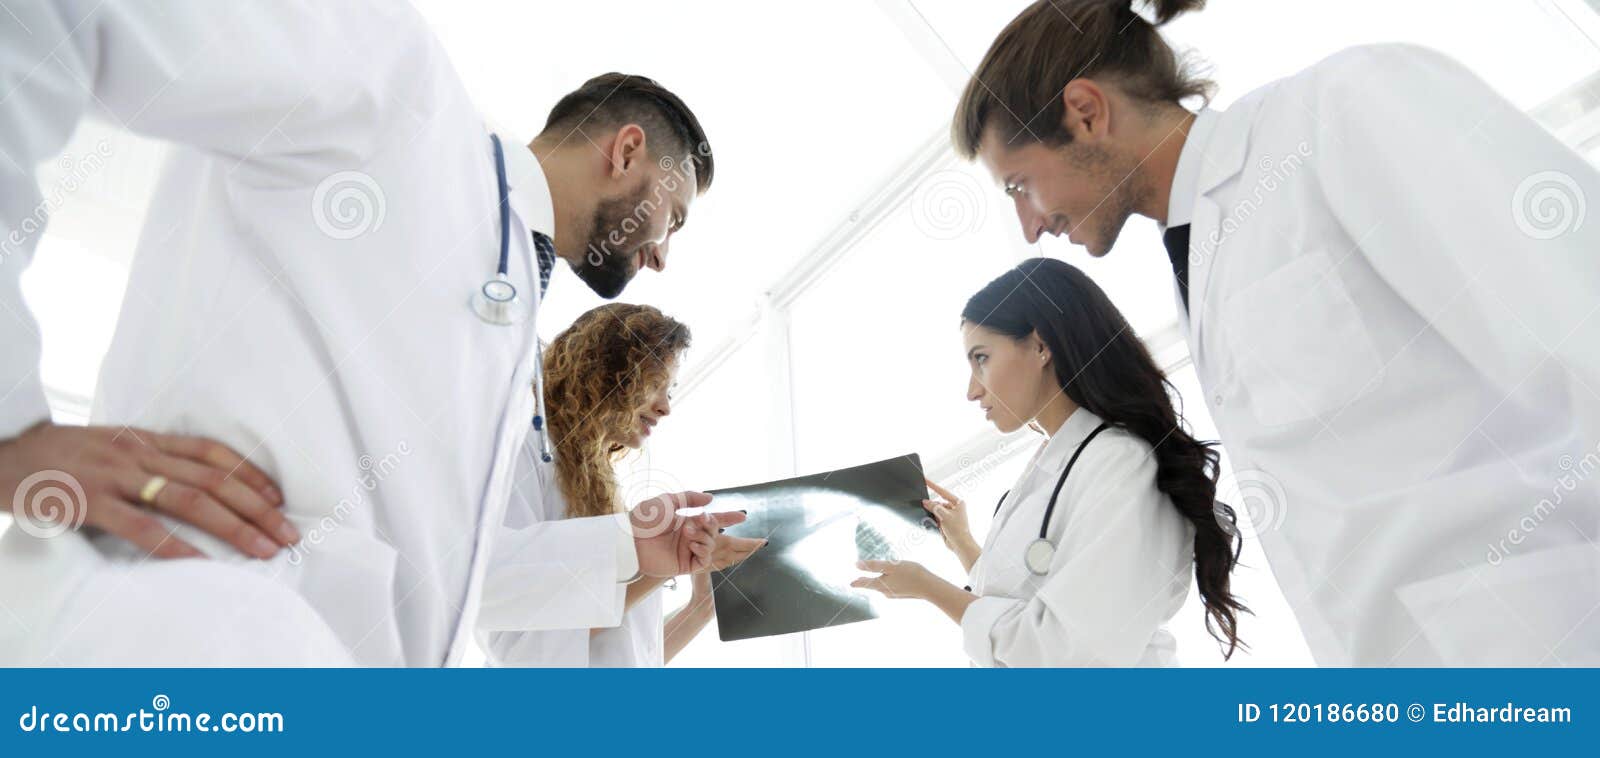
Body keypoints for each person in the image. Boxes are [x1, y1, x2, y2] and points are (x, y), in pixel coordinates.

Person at [0, 2, 737, 665]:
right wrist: (10, 427)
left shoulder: (513, 344)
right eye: (673, 219)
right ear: (628, 150)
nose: (664, 254)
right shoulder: (398, 91)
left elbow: (455, 584)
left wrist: (626, 549)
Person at [950, 0, 1600, 664]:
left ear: (1086, 112)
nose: (1030, 227)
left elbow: (1580, 315)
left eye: (1021, 185)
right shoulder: (1198, 262)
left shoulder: (1341, 109)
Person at [853, 258, 1246, 666]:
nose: (972, 390)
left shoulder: (1120, 462)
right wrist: (964, 545)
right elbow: (1020, 603)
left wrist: (928, 587)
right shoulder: (1053, 464)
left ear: (1041, 346)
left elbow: (1066, 652)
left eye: (981, 358)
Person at [481, 304, 766, 666]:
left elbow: (626, 657)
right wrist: (658, 568)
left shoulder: (599, 485)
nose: (665, 407)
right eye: (654, 384)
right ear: (605, 372)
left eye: (670, 390)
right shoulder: (526, 451)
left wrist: (699, 608)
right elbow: (523, 651)